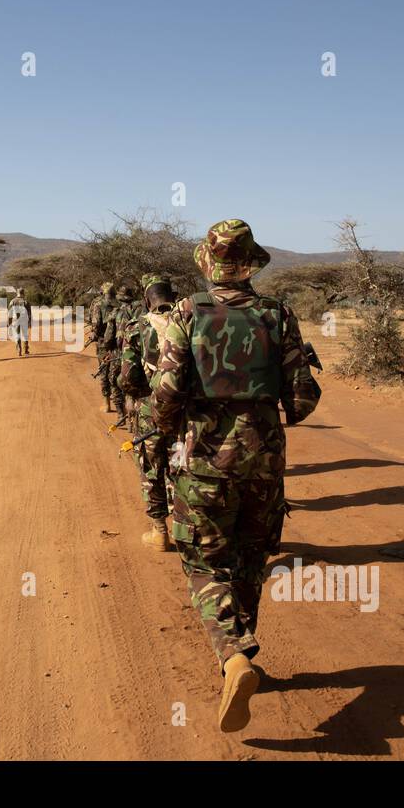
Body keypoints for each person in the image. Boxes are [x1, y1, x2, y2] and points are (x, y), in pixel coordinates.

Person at [150, 219, 321, 733]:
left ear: (208, 265)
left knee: (205, 562)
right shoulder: (278, 316)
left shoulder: (187, 313)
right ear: (250, 266)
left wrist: (175, 423)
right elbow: (304, 399)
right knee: (250, 558)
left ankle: (233, 656)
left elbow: (165, 396)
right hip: (264, 463)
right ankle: (243, 652)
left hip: (205, 461)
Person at [119, 274, 178, 552]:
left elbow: (128, 377)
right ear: (173, 295)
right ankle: (185, 526)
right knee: (182, 465)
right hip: (185, 411)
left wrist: (141, 395)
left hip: (149, 410)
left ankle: (160, 532)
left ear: (146, 298)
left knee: (151, 468)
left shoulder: (135, 328)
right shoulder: (190, 321)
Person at [104, 283, 140, 428]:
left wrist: (108, 349)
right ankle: (133, 418)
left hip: (118, 355)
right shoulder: (140, 312)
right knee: (133, 385)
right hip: (135, 355)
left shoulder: (116, 313)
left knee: (114, 382)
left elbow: (108, 337)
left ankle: (121, 414)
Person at [88, 282, 117, 412]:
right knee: (117, 372)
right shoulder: (121, 304)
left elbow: (95, 323)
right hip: (120, 343)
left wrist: (94, 332)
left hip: (103, 343)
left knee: (104, 371)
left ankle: (107, 403)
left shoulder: (98, 304)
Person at [7, 288, 32, 356]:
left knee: (17, 335)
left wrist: (9, 323)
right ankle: (26, 350)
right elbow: (29, 313)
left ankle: (19, 350)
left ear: (17, 293)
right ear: (23, 293)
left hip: (16, 321)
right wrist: (29, 322)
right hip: (24, 320)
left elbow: (9, 314)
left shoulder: (12, 301)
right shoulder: (26, 302)